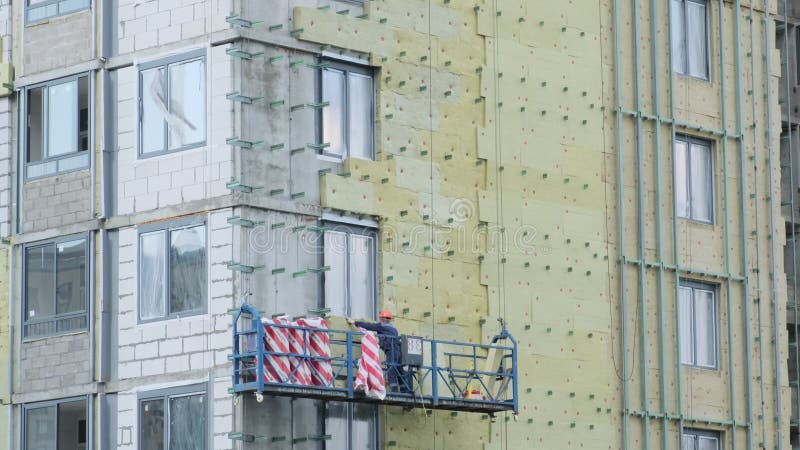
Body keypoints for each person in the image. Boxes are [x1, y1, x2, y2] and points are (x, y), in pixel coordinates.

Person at [347, 310, 406, 393]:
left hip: (391, 351)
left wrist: (355, 322)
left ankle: (395, 390)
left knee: (391, 369)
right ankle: (405, 390)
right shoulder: (393, 329)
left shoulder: (382, 327)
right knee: (399, 370)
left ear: (382, 319)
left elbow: (370, 326)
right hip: (399, 352)